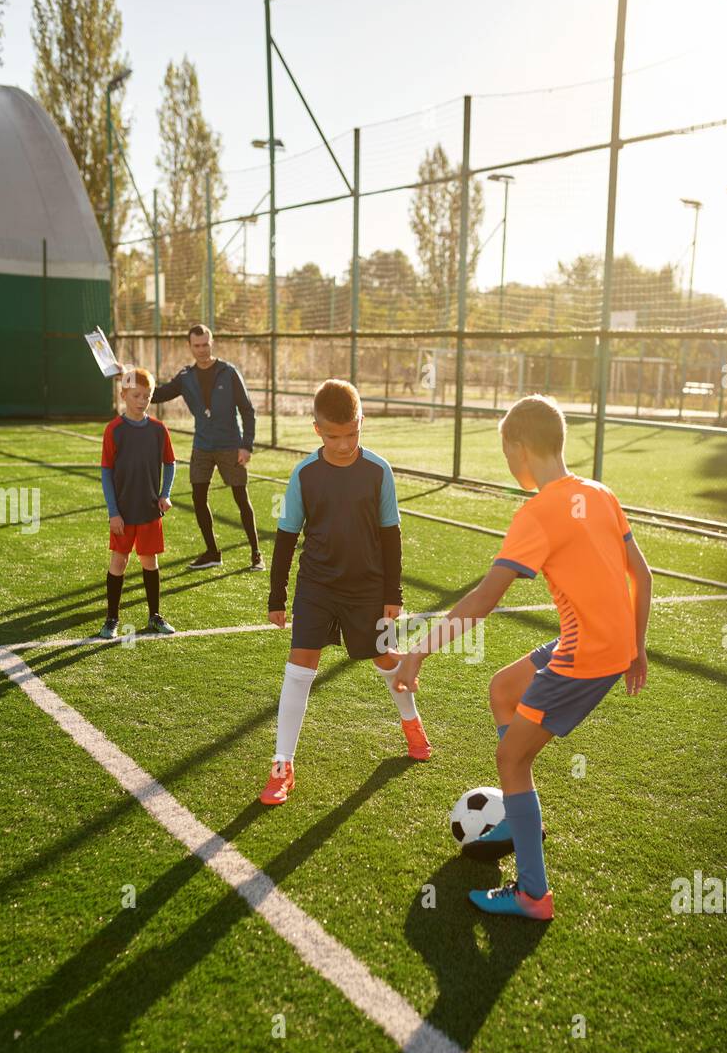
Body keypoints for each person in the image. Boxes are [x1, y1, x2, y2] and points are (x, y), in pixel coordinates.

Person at [396, 393, 652, 921]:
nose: (508, 463)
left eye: (506, 453)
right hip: (606, 643)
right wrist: (636, 646)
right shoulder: (599, 493)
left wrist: (417, 653)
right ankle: (520, 819)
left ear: (518, 447)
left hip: (584, 655)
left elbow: (483, 601)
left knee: (512, 759)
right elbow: (642, 575)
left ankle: (533, 895)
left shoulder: (536, 512)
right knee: (504, 689)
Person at [259, 378, 432, 805]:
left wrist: (393, 593)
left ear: (362, 421)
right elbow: (285, 538)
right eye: (334, 435)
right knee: (300, 667)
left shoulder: (378, 470)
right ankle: (282, 765)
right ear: (317, 428)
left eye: (352, 433)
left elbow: (391, 536)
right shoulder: (304, 474)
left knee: (385, 658)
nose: (343, 444)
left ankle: (411, 723)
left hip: (367, 589)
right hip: (316, 586)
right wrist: (276, 596)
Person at [151, 324, 262, 570]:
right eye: (196, 346)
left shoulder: (229, 372)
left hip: (231, 445)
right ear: (189, 346)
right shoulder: (185, 377)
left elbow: (247, 410)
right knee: (198, 498)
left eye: (205, 344)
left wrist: (246, 446)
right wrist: (130, 378)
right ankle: (213, 553)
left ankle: (256, 553)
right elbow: (157, 394)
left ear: (212, 343)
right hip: (202, 445)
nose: (202, 350)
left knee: (241, 498)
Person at [98, 367, 176, 640]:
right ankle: (111, 619)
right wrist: (113, 512)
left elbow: (170, 463)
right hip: (122, 512)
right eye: (136, 395)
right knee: (118, 562)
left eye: (147, 395)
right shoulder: (114, 430)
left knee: (149, 561)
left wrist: (165, 493)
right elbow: (106, 472)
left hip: (149, 510)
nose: (142, 401)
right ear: (123, 395)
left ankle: (154, 616)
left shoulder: (158, 429)